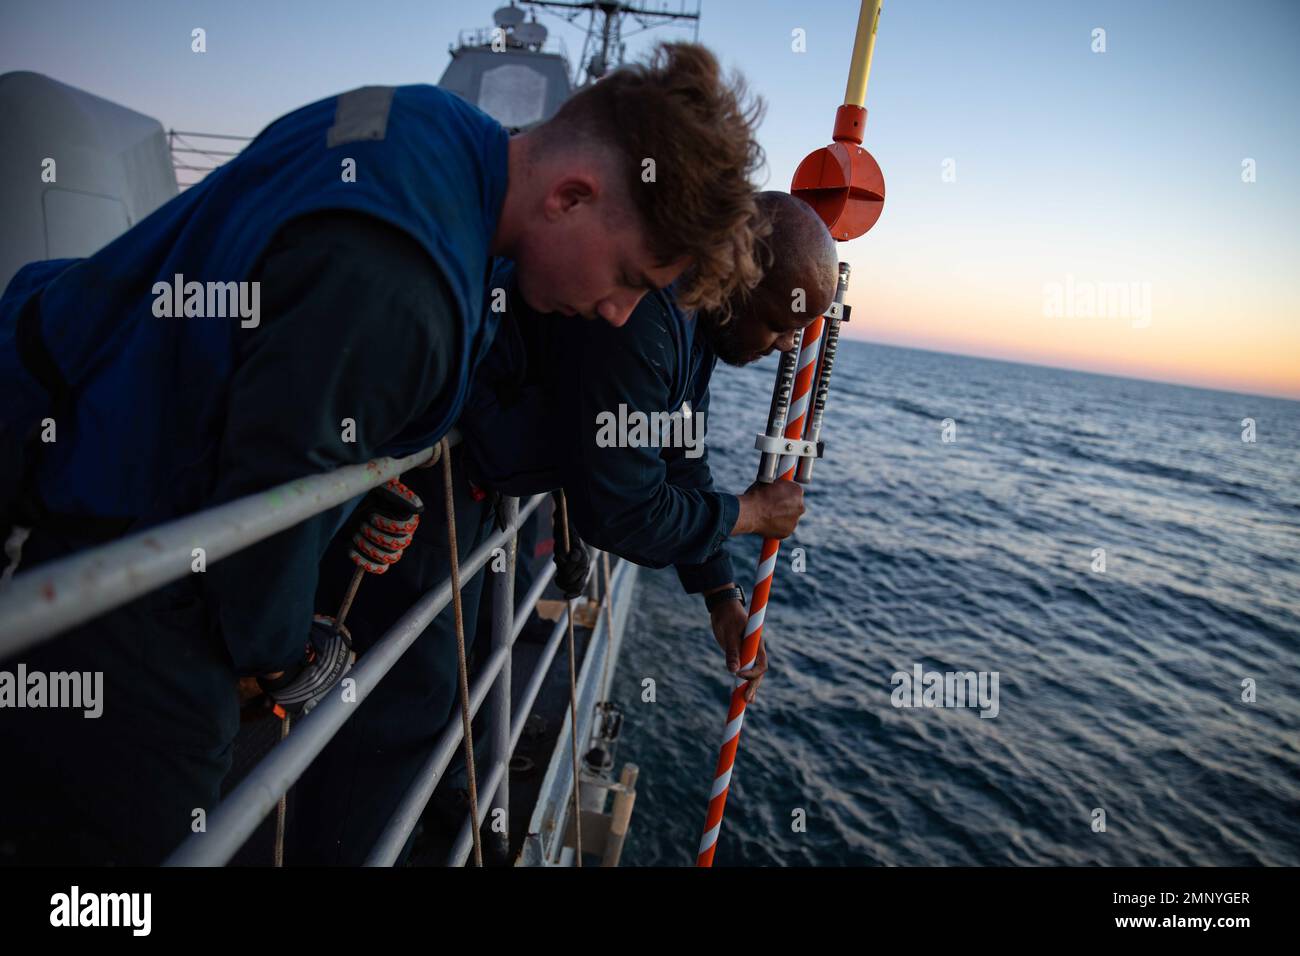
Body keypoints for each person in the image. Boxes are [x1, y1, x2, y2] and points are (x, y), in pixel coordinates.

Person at [0, 42, 766, 865]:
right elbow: (265, 501)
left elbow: (286, 365)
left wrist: (368, 476)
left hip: (80, 431)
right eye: (629, 278)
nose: (619, 315)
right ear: (572, 196)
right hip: (140, 579)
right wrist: (280, 658)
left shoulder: (428, 124)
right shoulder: (406, 286)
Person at [461, 191, 839, 703]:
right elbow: (622, 511)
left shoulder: (695, 323)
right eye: (778, 325)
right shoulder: (645, 318)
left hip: (491, 479)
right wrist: (749, 514)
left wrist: (721, 591)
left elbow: (680, 459)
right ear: (735, 282)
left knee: (467, 665)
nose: (783, 347)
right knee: (428, 688)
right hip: (450, 472)